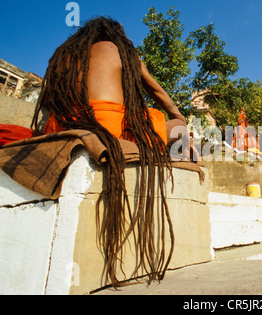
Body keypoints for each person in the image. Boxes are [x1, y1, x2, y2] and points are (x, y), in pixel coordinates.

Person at [31, 17, 196, 287]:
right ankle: (179, 172)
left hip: (61, 124)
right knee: (178, 128)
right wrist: (178, 115)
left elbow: (48, 101)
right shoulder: (121, 51)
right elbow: (155, 90)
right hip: (109, 125)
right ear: (116, 34)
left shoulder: (62, 56)